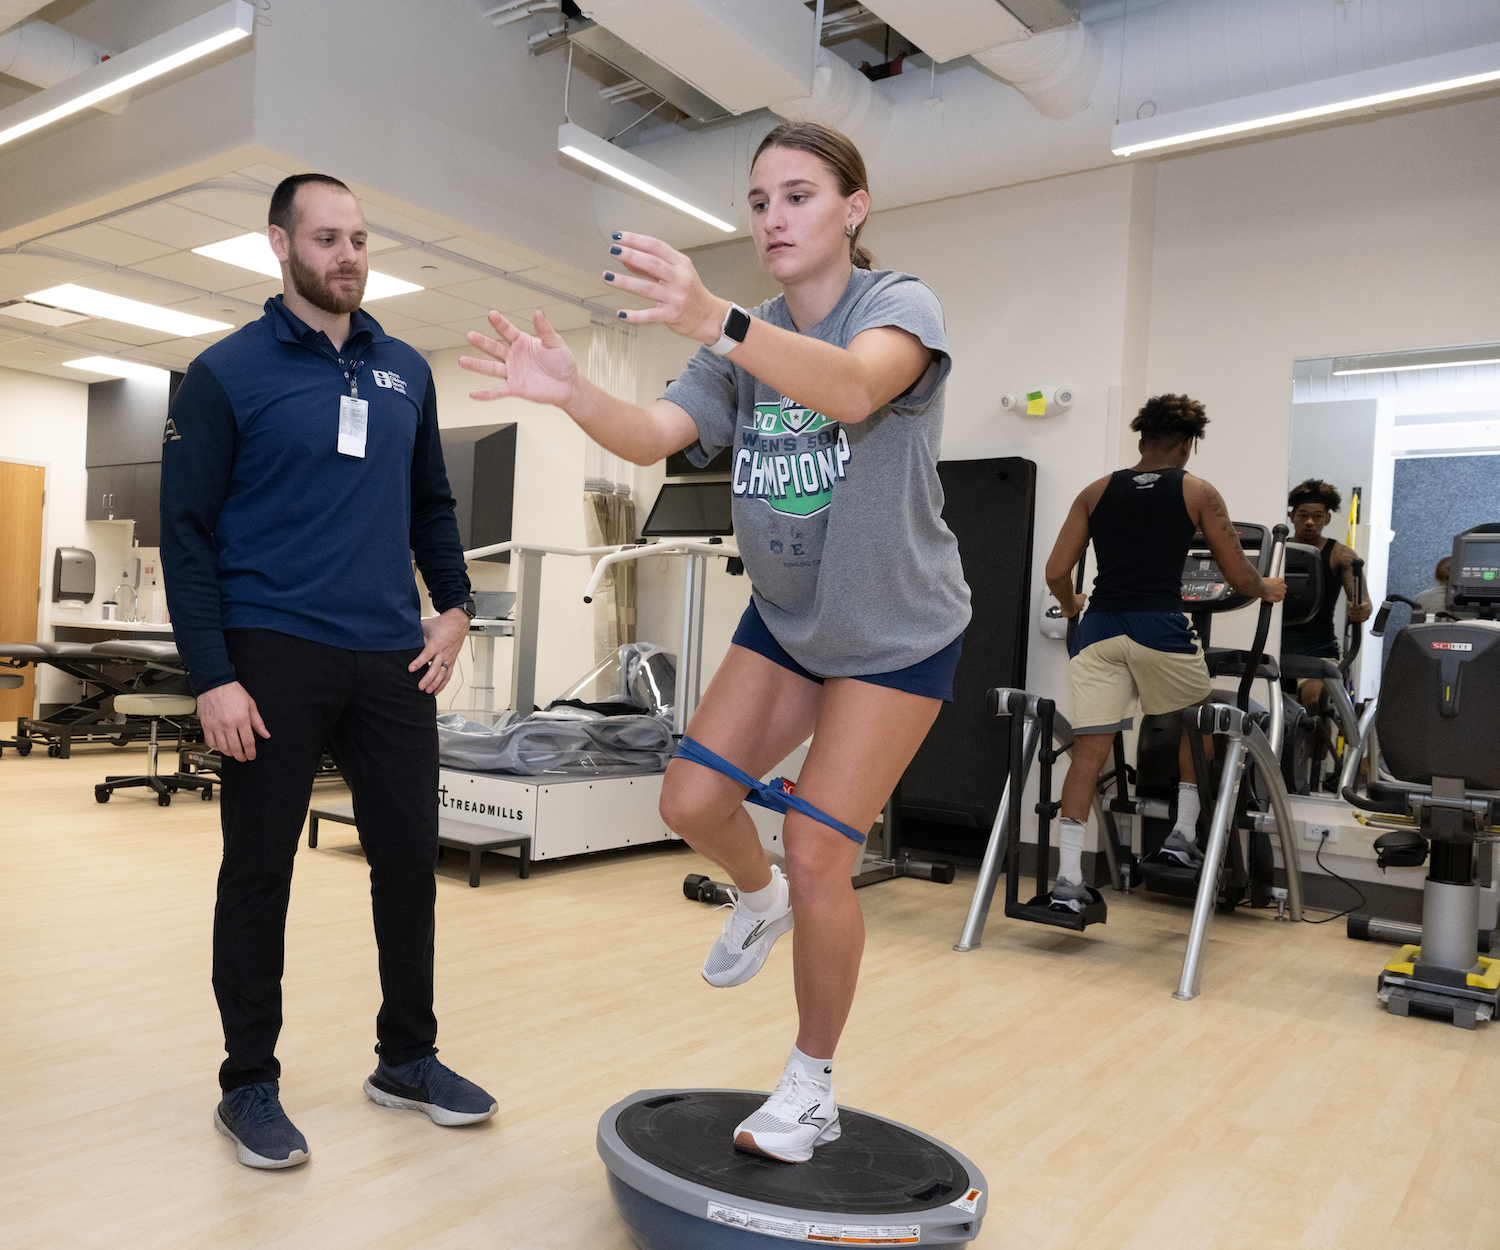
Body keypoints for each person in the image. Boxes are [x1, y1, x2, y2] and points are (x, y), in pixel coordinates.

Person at [460, 121, 967, 1163]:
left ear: (853, 208)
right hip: (788, 617)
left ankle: (811, 1083)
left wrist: (718, 316)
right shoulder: (742, 339)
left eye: (798, 196)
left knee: (822, 848)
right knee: (689, 798)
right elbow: (652, 433)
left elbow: (855, 388)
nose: (773, 218)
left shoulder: (898, 306)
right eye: (759, 202)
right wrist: (573, 394)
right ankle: (757, 895)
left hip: (893, 628)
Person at [161, 173, 496, 1171]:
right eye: (325, 238)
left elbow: (431, 502)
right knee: (260, 869)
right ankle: (249, 1081)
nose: (347, 254)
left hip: (391, 654)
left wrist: (457, 604)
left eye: (358, 237)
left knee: (407, 866)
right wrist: (213, 674)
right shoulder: (225, 375)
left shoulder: (404, 371)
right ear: (279, 245)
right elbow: (186, 539)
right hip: (273, 651)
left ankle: (408, 1057)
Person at [1043, 395, 1286, 908]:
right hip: (1161, 626)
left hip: (1100, 629)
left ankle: (1067, 881)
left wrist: (1070, 608)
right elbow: (1236, 574)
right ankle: (1181, 836)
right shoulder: (1198, 491)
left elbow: (1056, 573)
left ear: (1140, 441)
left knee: (1090, 749)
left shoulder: (1095, 491)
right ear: (1187, 444)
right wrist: (1267, 588)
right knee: (1200, 720)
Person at [1283, 479, 1372, 713]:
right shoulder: (1277, 552)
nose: (1310, 522)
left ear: (1327, 518)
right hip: (1275, 648)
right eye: (1303, 515)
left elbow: (1363, 601)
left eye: (1317, 516)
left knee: (1316, 701)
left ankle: (1314, 751)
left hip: (1318, 650)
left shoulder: (1342, 555)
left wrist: (1362, 608)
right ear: (1291, 516)